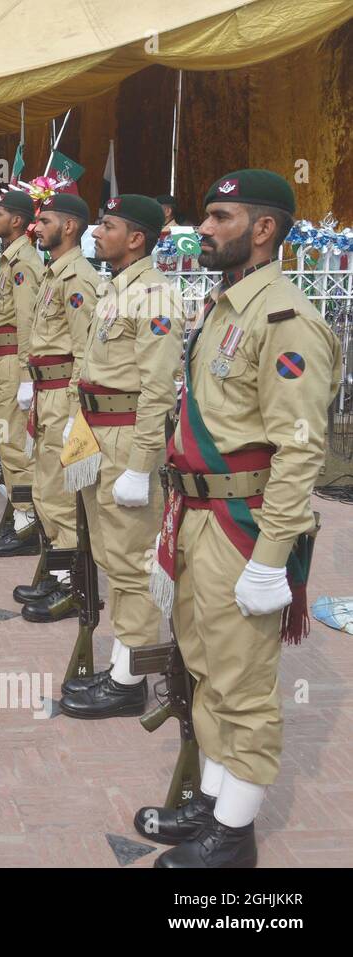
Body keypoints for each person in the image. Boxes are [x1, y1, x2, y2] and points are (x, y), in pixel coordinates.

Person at [138, 171, 337, 868]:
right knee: (204, 661)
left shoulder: (286, 320)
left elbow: (299, 449)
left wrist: (270, 556)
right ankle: (216, 801)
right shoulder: (226, 306)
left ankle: (235, 836)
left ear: (262, 228)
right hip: (196, 512)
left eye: (219, 216)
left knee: (243, 682)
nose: (204, 228)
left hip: (241, 524)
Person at [59, 195, 183, 721]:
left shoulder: (153, 294)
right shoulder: (116, 286)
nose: (95, 233)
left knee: (131, 562)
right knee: (109, 555)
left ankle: (131, 679)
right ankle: (122, 662)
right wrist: (73, 412)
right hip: (94, 432)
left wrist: (141, 463)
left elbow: (158, 389)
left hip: (125, 440)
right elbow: (89, 362)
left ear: (136, 237)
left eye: (105, 226)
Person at [13, 193, 101, 623]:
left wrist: (73, 412)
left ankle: (71, 587)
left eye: (44, 220)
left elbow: (84, 350)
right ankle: (57, 572)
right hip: (45, 394)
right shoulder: (54, 274)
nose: (37, 227)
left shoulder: (77, 279)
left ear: (69, 227)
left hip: (61, 397)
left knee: (62, 496)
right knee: (46, 491)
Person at [0, 190, 46, 558]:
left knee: (16, 445)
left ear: (18, 221)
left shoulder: (23, 264)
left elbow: (26, 325)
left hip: (12, 360)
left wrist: (25, 376)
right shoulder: (11, 259)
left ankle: (27, 526)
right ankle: (21, 518)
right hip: (1, 360)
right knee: (7, 440)